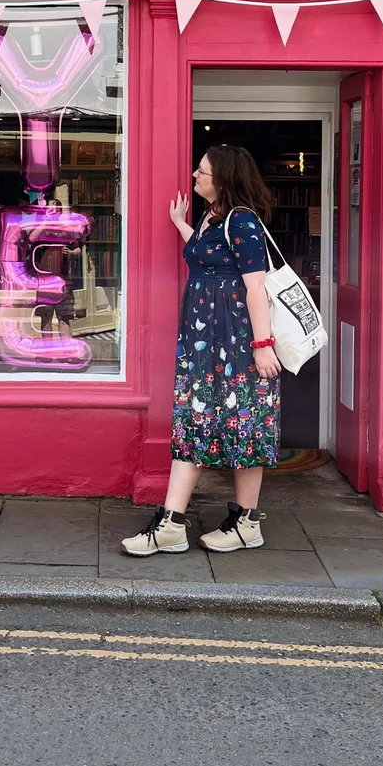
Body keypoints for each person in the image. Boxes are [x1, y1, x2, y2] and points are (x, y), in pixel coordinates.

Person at [121, 144, 280, 556]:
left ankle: (243, 524)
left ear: (223, 178)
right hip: (204, 341)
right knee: (196, 420)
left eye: (202, 172)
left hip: (237, 342)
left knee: (244, 425)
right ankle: (174, 524)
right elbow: (210, 259)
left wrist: (262, 346)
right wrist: (180, 224)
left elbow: (256, 286)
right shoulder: (213, 218)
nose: (194, 176)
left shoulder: (243, 222)